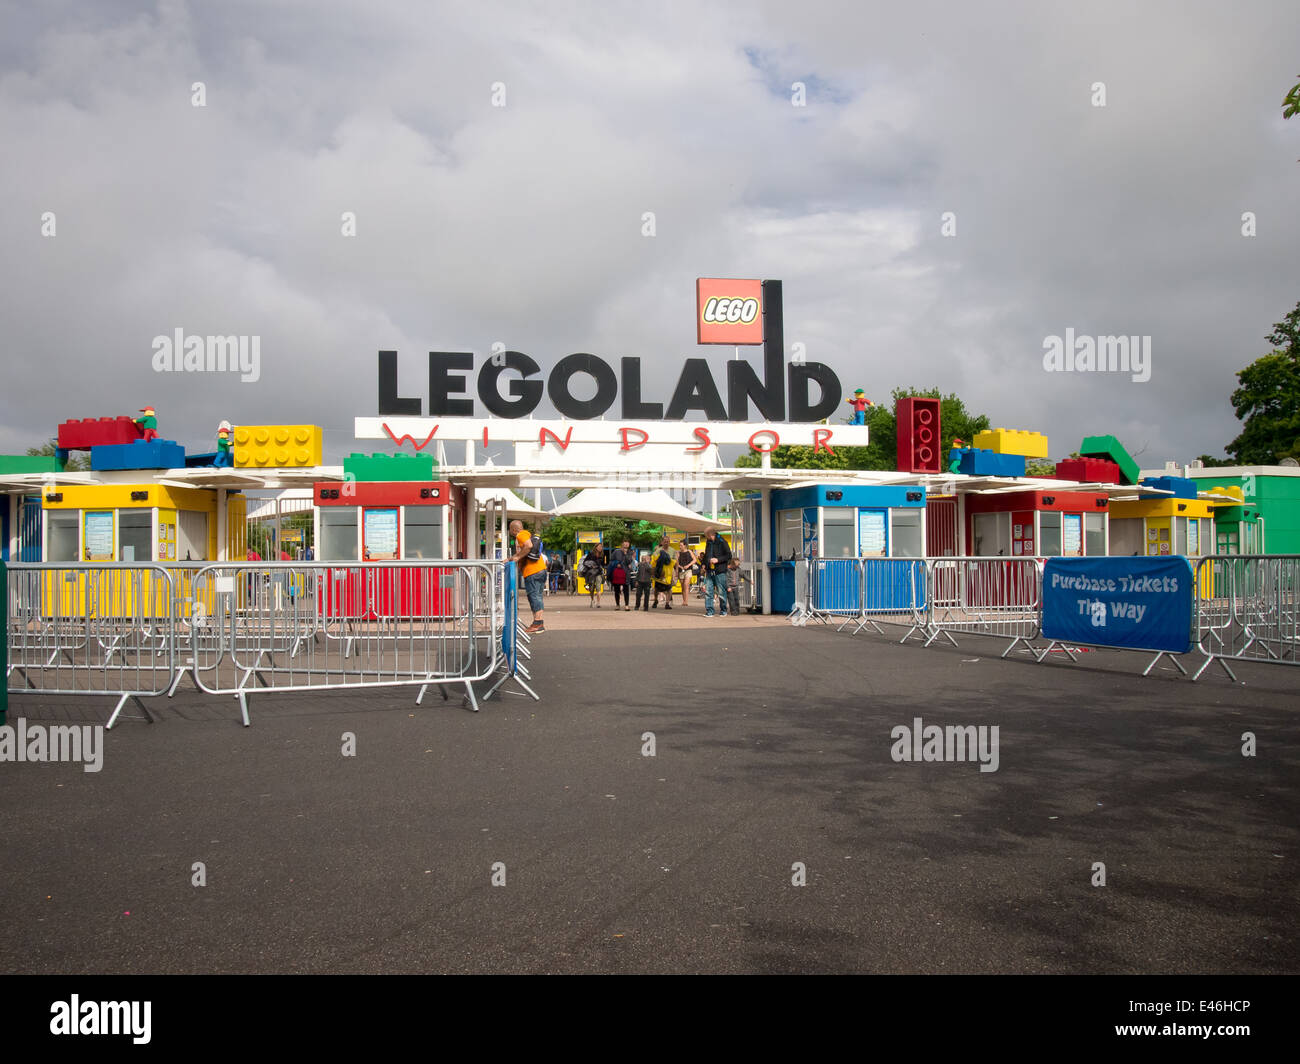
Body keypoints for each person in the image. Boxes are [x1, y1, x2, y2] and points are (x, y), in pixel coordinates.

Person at [509, 519, 547, 634]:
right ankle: (538, 622)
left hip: (533, 572)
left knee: (534, 596)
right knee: (537, 596)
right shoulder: (527, 534)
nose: (510, 531)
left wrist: (517, 557)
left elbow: (528, 546)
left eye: (510, 529)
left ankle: (538, 623)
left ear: (514, 529)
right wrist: (512, 558)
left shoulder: (521, 535)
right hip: (540, 570)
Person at [700, 528, 733, 617]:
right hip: (710, 570)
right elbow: (707, 554)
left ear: (710, 534)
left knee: (721, 591)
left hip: (720, 570)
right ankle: (710, 611)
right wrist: (704, 564)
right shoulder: (709, 542)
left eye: (706, 536)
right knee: (708, 591)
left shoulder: (722, 542)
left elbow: (729, 555)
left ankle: (723, 610)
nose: (706, 537)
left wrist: (717, 560)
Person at [608, 539, 633, 610]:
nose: (626, 545)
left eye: (627, 543)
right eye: (625, 543)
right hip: (617, 572)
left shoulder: (630, 552)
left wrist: (625, 554)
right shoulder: (616, 551)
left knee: (626, 589)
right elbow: (611, 560)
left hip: (626, 573)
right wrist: (616, 564)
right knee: (617, 589)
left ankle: (626, 605)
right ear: (622, 544)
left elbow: (629, 561)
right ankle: (617, 604)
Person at [651, 536, 675, 610]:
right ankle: (655, 600)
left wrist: (675, 572)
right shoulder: (658, 550)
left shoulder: (672, 550)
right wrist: (653, 572)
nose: (666, 543)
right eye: (665, 541)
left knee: (669, 589)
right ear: (662, 542)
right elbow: (653, 562)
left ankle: (667, 604)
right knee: (656, 589)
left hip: (668, 573)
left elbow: (675, 561)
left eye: (667, 541)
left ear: (669, 542)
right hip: (659, 572)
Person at [676, 541, 698, 607]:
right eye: (679, 545)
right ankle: (684, 600)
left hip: (688, 570)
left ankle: (686, 601)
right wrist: (679, 566)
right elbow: (676, 562)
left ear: (685, 545)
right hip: (681, 570)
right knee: (683, 586)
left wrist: (688, 565)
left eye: (681, 545)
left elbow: (695, 560)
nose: (680, 547)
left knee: (686, 585)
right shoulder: (678, 553)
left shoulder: (689, 552)